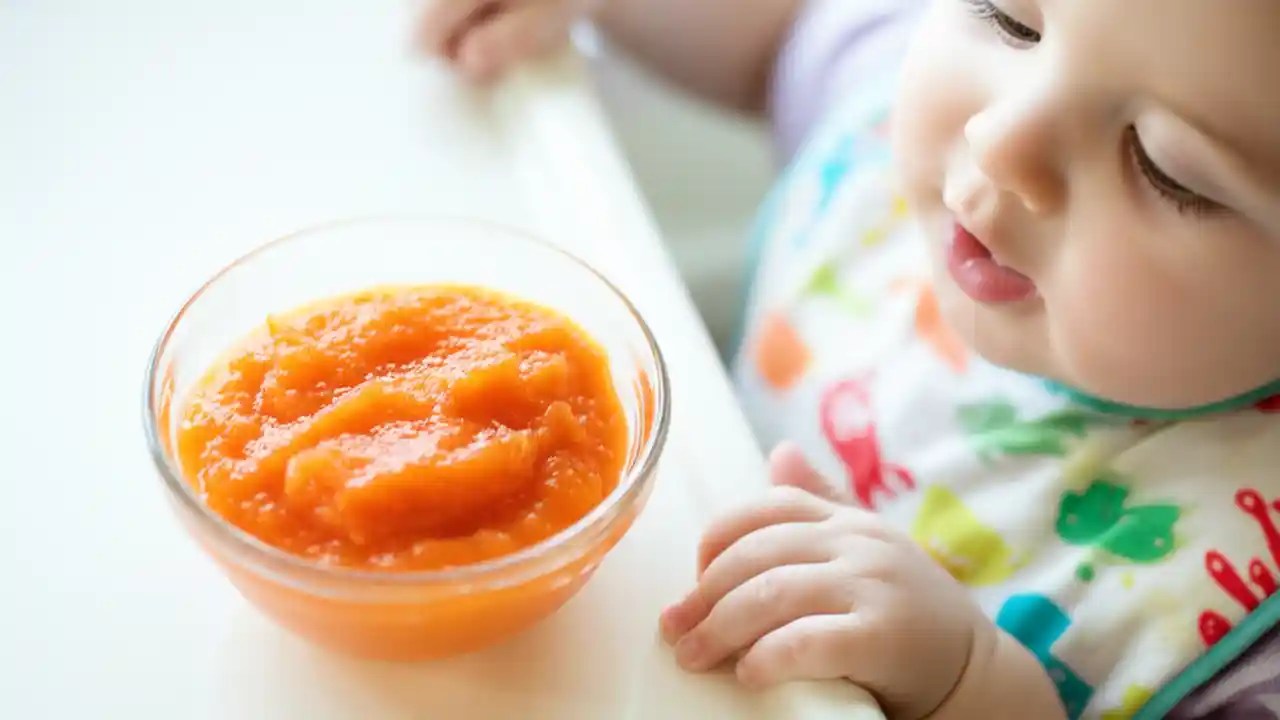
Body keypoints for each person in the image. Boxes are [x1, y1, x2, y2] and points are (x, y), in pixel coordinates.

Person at [417, 1, 1280, 717]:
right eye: (1009, 19)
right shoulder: (889, 99)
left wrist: (967, 681)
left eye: (1167, 169)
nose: (1002, 141)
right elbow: (778, 37)